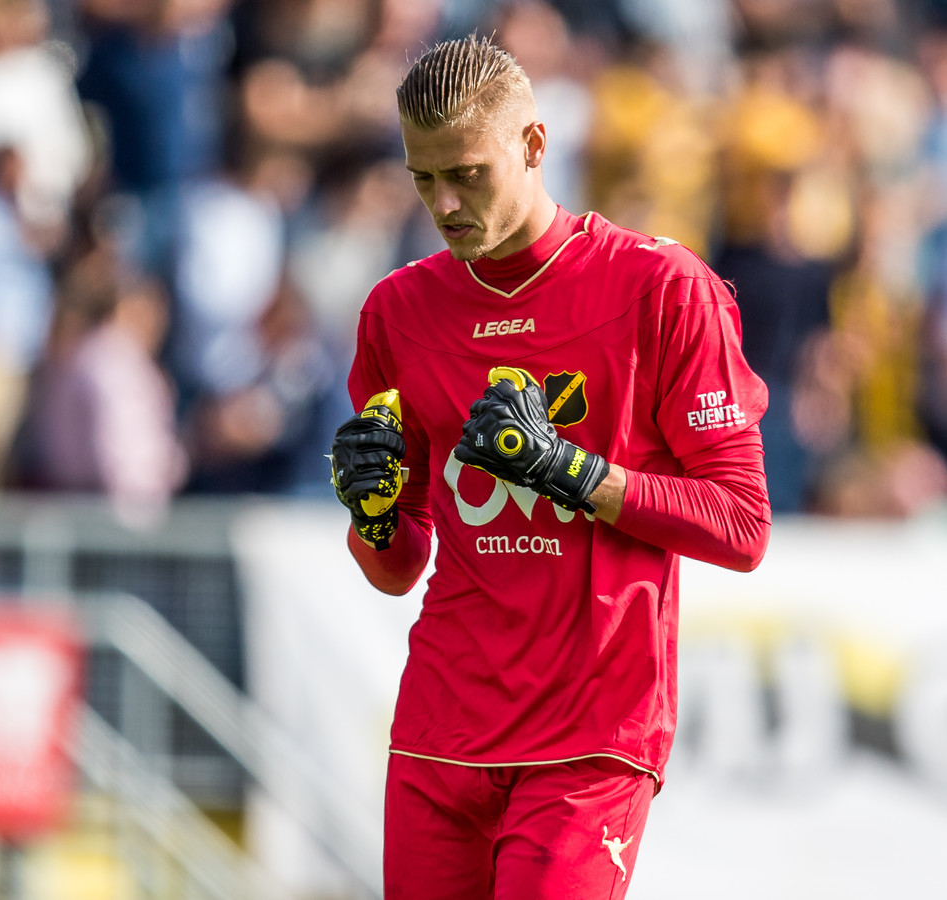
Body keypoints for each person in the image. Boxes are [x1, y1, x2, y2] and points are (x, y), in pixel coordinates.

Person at [328, 36, 771, 899]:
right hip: (440, 728)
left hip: (591, 735)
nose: (445, 203)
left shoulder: (663, 289)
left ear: (534, 145)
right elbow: (398, 564)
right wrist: (374, 517)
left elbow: (742, 525)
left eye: (468, 173)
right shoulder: (398, 312)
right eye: (424, 180)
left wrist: (571, 470)